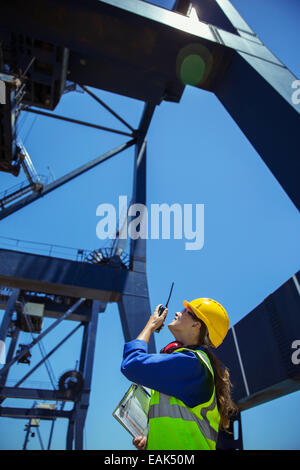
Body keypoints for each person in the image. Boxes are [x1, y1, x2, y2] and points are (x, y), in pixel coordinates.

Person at [121, 298, 237, 450]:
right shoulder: (190, 366)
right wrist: (150, 440)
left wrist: (150, 325)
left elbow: (132, 363)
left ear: (196, 325)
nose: (177, 312)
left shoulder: (191, 365)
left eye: (185, 311)